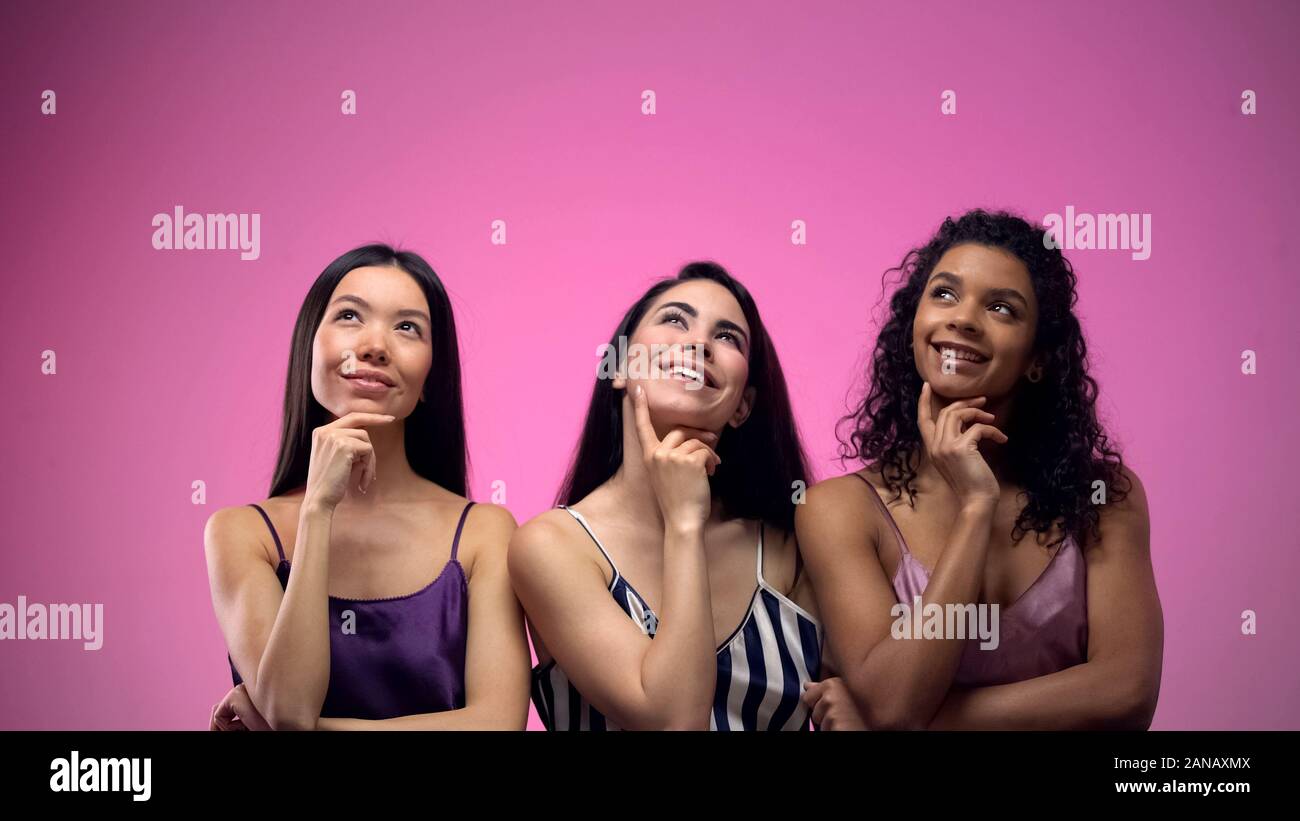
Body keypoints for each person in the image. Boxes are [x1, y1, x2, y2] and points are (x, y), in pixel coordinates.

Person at [798, 210, 1162, 730]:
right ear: (913, 326)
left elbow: (1127, 693)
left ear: (1037, 358)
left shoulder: (1104, 498)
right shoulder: (839, 509)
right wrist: (975, 507)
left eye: (1001, 308)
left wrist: (933, 722)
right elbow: (895, 703)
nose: (964, 318)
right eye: (944, 294)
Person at [205, 244, 530, 730]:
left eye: (407, 327)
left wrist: (316, 729)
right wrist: (318, 508)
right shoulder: (239, 532)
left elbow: (499, 725)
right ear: (308, 349)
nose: (376, 345)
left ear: (429, 379)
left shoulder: (485, 531)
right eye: (350, 316)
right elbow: (291, 706)